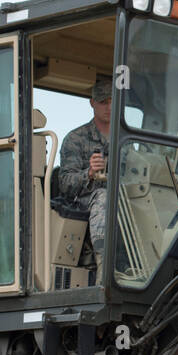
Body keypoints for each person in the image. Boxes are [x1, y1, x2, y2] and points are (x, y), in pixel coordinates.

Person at [55, 74, 113, 257]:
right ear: (92, 103)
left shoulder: (126, 140)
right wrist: (88, 173)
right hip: (84, 203)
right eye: (104, 101)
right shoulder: (76, 139)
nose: (109, 107)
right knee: (104, 197)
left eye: (113, 101)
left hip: (122, 201)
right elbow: (64, 183)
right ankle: (105, 265)